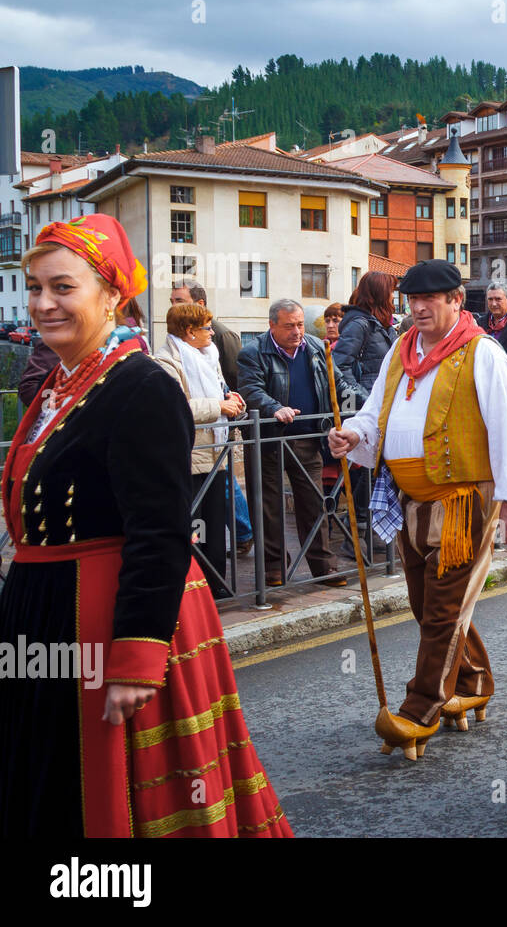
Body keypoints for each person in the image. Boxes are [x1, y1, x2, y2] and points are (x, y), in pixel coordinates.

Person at [1, 213, 291, 837]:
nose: (43, 303)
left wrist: (135, 659)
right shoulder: (59, 384)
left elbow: (160, 529)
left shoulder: (140, 385)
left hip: (107, 618)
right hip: (46, 613)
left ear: (112, 294)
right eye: (35, 288)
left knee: (102, 794)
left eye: (63, 287)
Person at [329, 259, 507, 757]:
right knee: (426, 604)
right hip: (408, 497)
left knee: (445, 607)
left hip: (463, 501)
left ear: (454, 301)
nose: (419, 309)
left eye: (430, 300)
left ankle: (419, 708)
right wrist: (355, 434)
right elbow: (373, 413)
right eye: (412, 301)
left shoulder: (482, 353)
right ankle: (474, 681)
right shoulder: (401, 351)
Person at [237, 299, 364, 587]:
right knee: (268, 506)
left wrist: (366, 402)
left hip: (307, 437)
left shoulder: (317, 348)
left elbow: (340, 383)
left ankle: (324, 568)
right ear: (272, 325)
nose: (296, 331)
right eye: (289, 326)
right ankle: (274, 569)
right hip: (269, 439)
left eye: (300, 324)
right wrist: (274, 408)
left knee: (314, 504)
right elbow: (251, 389)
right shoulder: (253, 352)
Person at [154, 302, 246, 599]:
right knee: (194, 526)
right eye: (206, 328)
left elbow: (218, 390)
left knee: (215, 524)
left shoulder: (208, 355)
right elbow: (174, 407)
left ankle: (215, 584)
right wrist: (219, 406)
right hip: (189, 456)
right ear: (189, 331)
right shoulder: (166, 362)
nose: (211, 332)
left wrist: (230, 398)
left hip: (215, 452)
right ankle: (193, 590)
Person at [333, 272, 398, 392]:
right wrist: (364, 399)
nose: (393, 296)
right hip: (367, 404)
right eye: (391, 291)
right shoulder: (359, 325)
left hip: (384, 399)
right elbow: (339, 367)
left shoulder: (385, 325)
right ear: (380, 294)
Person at [171, 279, 240, 385]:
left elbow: (235, 378)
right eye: (172, 302)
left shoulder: (223, 335)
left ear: (200, 304)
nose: (173, 307)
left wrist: (227, 398)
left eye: (180, 302)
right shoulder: (176, 335)